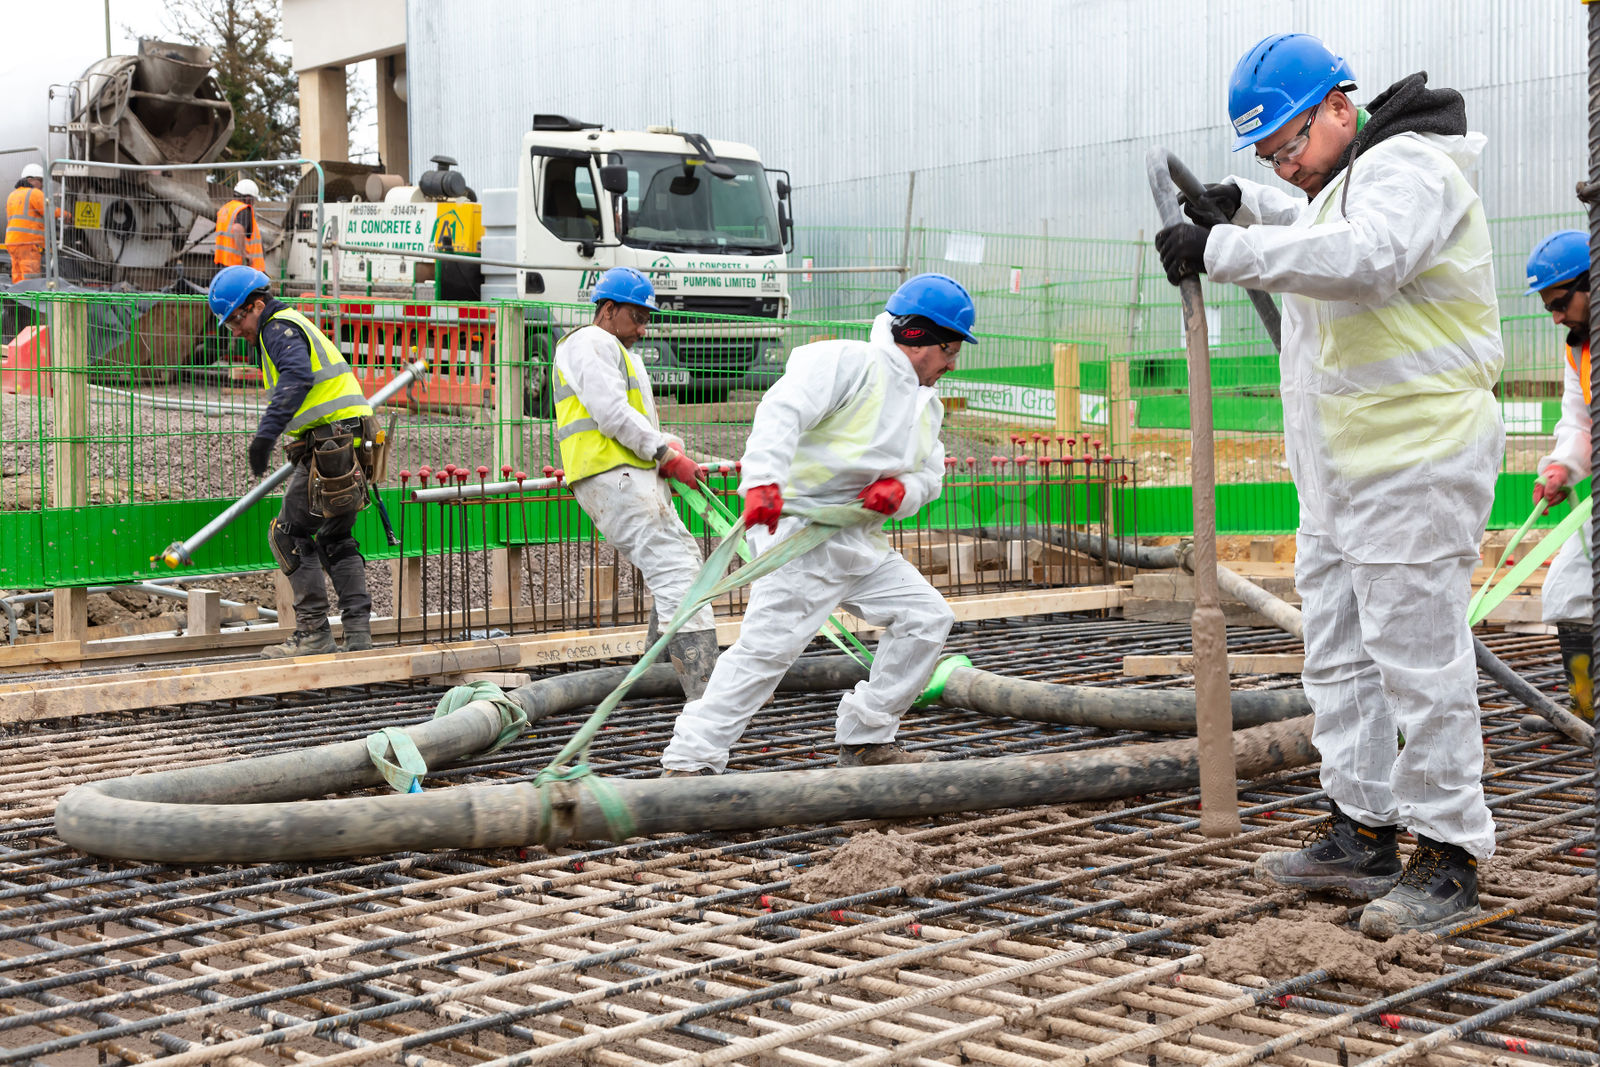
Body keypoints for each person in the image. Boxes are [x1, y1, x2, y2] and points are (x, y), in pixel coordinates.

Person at [1154, 33, 1503, 936]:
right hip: (1341, 473)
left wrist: (1225, 246)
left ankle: (1450, 855)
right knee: (1339, 658)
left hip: (1415, 460)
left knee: (1418, 663)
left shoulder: (1413, 167)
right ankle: (1362, 830)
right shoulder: (1343, 182)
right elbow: (1321, 224)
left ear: (1341, 107)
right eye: (1268, 156)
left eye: (1291, 146)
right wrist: (1249, 208)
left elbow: (1365, 255)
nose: (1287, 167)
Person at [659, 273, 971, 777]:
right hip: (801, 539)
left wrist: (903, 491)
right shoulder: (849, 363)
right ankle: (689, 762)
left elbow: (930, 473)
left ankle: (867, 739)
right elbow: (782, 411)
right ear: (917, 338)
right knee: (765, 654)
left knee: (926, 617)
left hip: (858, 542)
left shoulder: (924, 404)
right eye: (949, 349)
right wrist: (762, 483)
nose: (952, 363)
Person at [553, 266, 719, 700]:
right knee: (676, 568)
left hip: (625, 474)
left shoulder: (614, 351)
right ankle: (706, 693)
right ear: (608, 309)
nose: (643, 330)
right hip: (613, 476)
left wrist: (667, 447)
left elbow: (629, 420)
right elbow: (611, 415)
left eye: (646, 320)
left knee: (678, 562)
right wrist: (666, 455)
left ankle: (660, 680)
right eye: (637, 318)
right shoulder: (590, 343)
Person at [207, 265, 376, 658]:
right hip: (350, 437)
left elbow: (297, 378)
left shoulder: (277, 328)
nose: (236, 330)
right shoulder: (289, 323)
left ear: (257, 305)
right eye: (230, 324)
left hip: (332, 442)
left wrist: (266, 436)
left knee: (288, 534)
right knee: (334, 536)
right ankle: (358, 639)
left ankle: (313, 634)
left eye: (237, 319)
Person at [1525, 229, 1596, 723]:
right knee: (1570, 587)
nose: (1555, 317)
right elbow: (1578, 421)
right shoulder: (1578, 350)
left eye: (1559, 303)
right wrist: (1561, 467)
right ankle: (1585, 709)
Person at [6, 164, 47, 283]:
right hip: (28, 243)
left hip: (12, 241)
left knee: (18, 276)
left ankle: (18, 294)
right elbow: (49, 210)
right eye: (40, 180)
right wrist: (66, 215)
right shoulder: (35, 193)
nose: (42, 184)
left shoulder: (12, 195)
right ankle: (30, 296)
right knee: (30, 278)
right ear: (30, 180)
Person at [215, 178, 266, 271]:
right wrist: (245, 254)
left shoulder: (225, 209)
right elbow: (237, 228)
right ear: (248, 198)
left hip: (224, 264)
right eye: (253, 199)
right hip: (241, 266)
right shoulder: (243, 209)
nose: (253, 203)